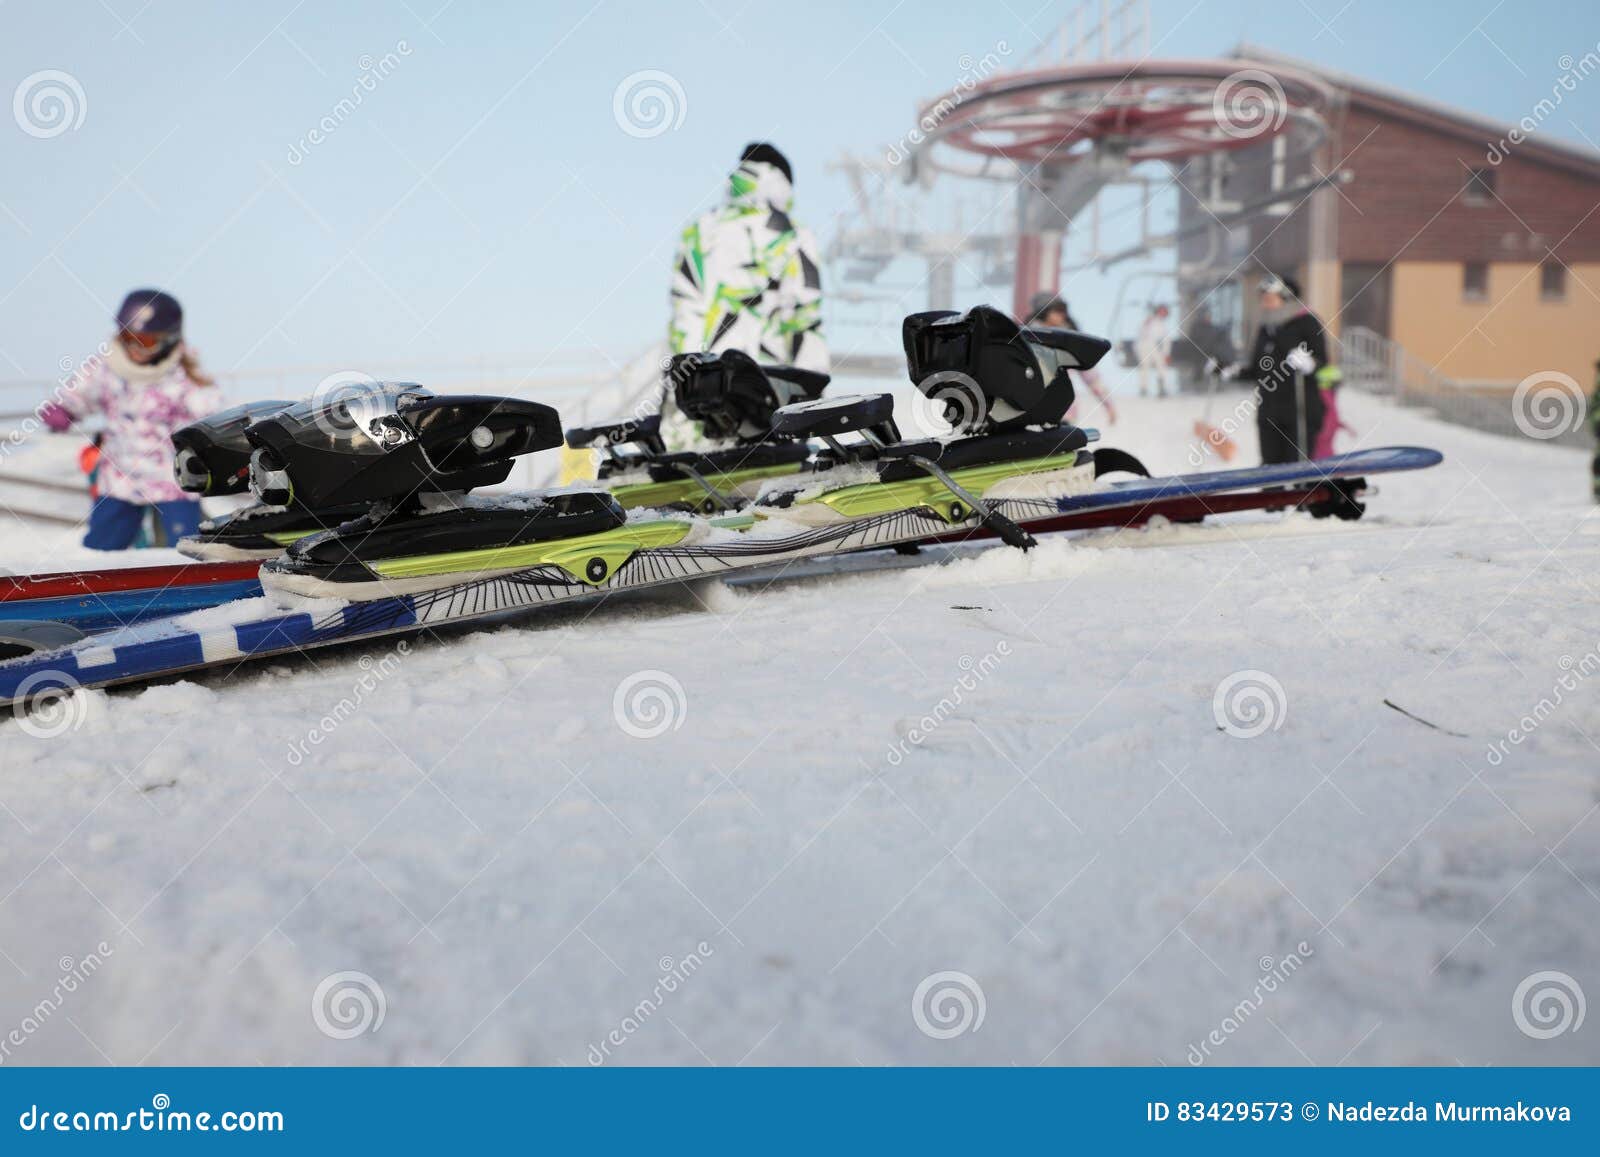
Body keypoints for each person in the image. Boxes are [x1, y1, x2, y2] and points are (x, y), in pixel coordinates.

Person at [41, 289, 221, 549]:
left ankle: (194, 580)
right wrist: (65, 409)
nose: (134, 347)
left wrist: (218, 438)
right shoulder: (106, 366)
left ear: (169, 339)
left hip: (171, 477)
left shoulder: (182, 374)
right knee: (102, 546)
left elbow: (210, 411)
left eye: (145, 341)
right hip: (120, 477)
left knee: (188, 547)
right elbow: (81, 392)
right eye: (127, 337)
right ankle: (97, 584)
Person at [670, 142, 827, 373]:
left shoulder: (699, 231)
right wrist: (814, 392)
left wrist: (681, 385)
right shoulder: (793, 235)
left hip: (703, 384)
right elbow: (805, 320)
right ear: (783, 184)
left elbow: (684, 311)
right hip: (769, 384)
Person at [1246, 273, 1327, 464]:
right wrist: (1227, 370)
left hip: (1300, 414)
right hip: (1269, 414)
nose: (1264, 305)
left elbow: (1324, 364)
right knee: (1269, 472)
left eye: (1270, 299)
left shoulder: (1307, 323)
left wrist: (1310, 364)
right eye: (1263, 300)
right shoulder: (1265, 328)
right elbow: (1257, 369)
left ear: (1287, 299)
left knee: (1297, 472)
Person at [1027, 291, 1115, 424]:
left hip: (1064, 414)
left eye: (1064, 310)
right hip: (1030, 411)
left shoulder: (1069, 340)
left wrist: (1109, 406)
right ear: (1044, 311)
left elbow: (1091, 377)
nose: (1063, 314)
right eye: (1057, 310)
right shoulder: (1025, 337)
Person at [1135, 304, 1173, 397]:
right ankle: (1143, 388)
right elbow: (1141, 333)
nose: (1163, 314)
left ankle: (1161, 387)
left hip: (1156, 348)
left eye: (1165, 312)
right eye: (1162, 311)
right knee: (1144, 366)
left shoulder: (1162, 325)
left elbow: (1166, 340)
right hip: (1145, 347)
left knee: (1161, 366)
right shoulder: (1150, 321)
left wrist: (1166, 354)